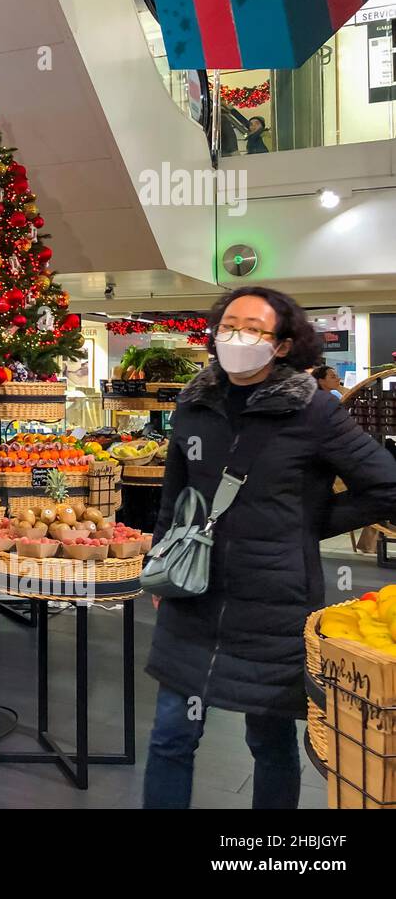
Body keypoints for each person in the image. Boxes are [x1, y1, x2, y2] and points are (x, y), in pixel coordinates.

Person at [143, 287, 396, 810]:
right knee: (172, 735)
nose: (238, 336)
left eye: (254, 328)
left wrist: (306, 523)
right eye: (229, 324)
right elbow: (175, 496)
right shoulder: (194, 403)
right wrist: (160, 561)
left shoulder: (314, 412)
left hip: (275, 604)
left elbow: (386, 486)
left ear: (281, 345)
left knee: (270, 742)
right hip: (193, 597)